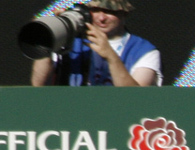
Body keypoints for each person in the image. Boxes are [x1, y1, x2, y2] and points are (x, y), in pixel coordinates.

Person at [30, 0, 161, 87]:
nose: (101, 18)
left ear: (124, 14)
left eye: (109, 11)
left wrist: (111, 56)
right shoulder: (71, 42)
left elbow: (137, 100)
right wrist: (49, 38)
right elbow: (38, 84)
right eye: (95, 10)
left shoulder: (144, 51)